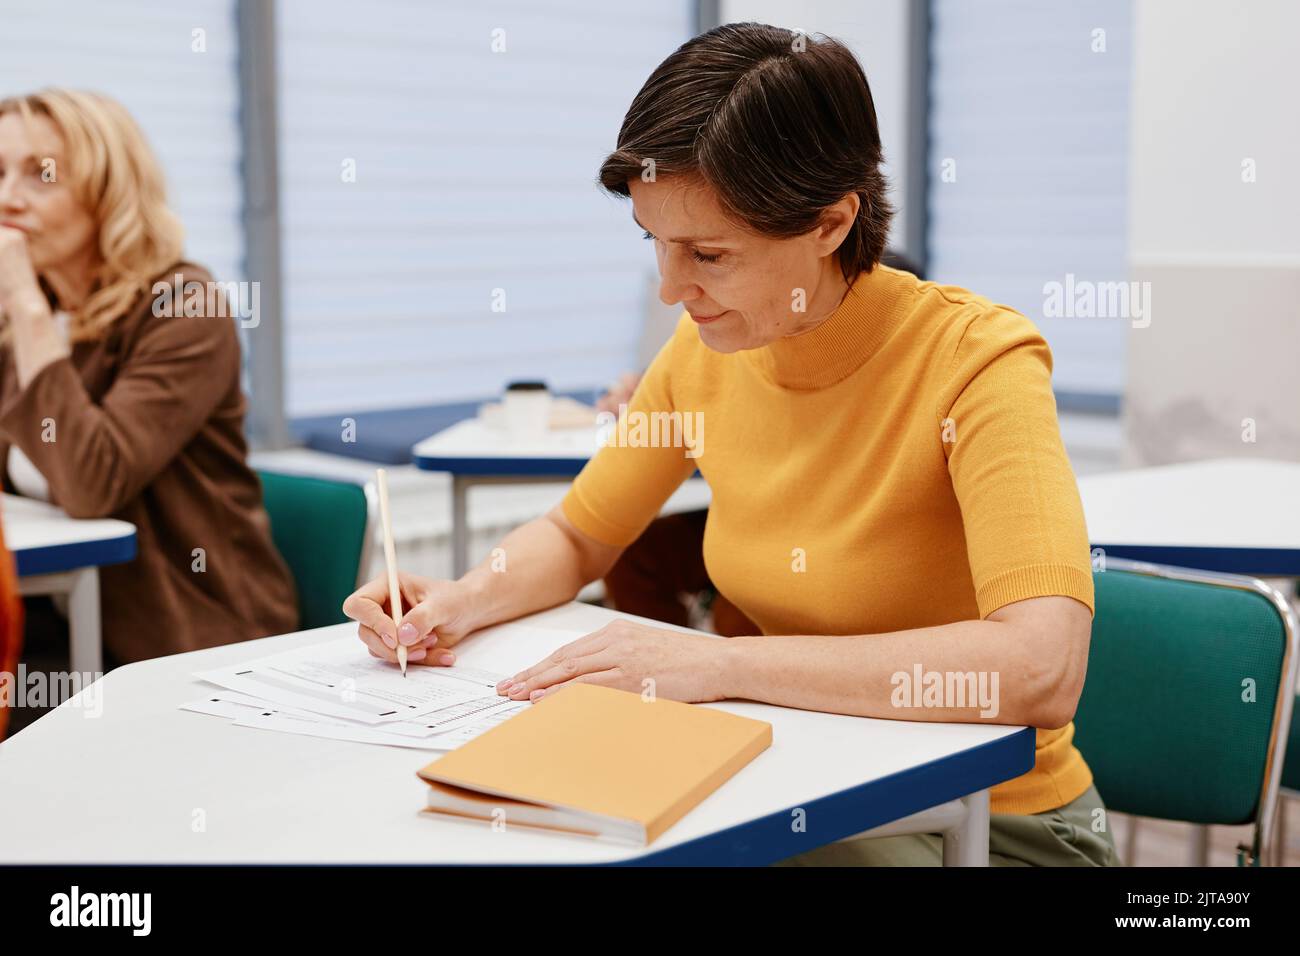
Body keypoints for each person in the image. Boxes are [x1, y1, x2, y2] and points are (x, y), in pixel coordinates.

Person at [344, 24, 1118, 866]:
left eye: (708, 254)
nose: (673, 290)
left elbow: (1041, 667)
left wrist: (723, 665)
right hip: (797, 773)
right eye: (655, 244)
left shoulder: (978, 363)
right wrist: (460, 600)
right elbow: (577, 537)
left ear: (830, 223)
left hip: (989, 820)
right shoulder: (708, 352)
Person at [0, 89, 296, 673]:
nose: (8, 199)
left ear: (110, 193)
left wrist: (28, 310)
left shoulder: (186, 307)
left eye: (41, 175)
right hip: (51, 631)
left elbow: (90, 481)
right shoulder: (22, 316)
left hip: (179, 637)